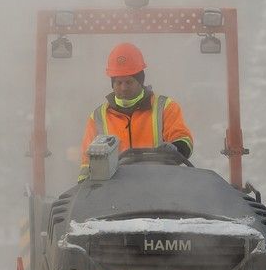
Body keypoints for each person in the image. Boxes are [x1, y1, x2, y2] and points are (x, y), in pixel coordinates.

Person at [79, 42, 194, 181]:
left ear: (140, 81)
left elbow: (183, 139)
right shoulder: (97, 117)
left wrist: (174, 149)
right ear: (112, 83)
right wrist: (85, 191)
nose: (123, 88)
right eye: (118, 83)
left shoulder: (165, 107)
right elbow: (87, 162)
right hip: (112, 191)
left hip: (160, 185)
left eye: (129, 82)